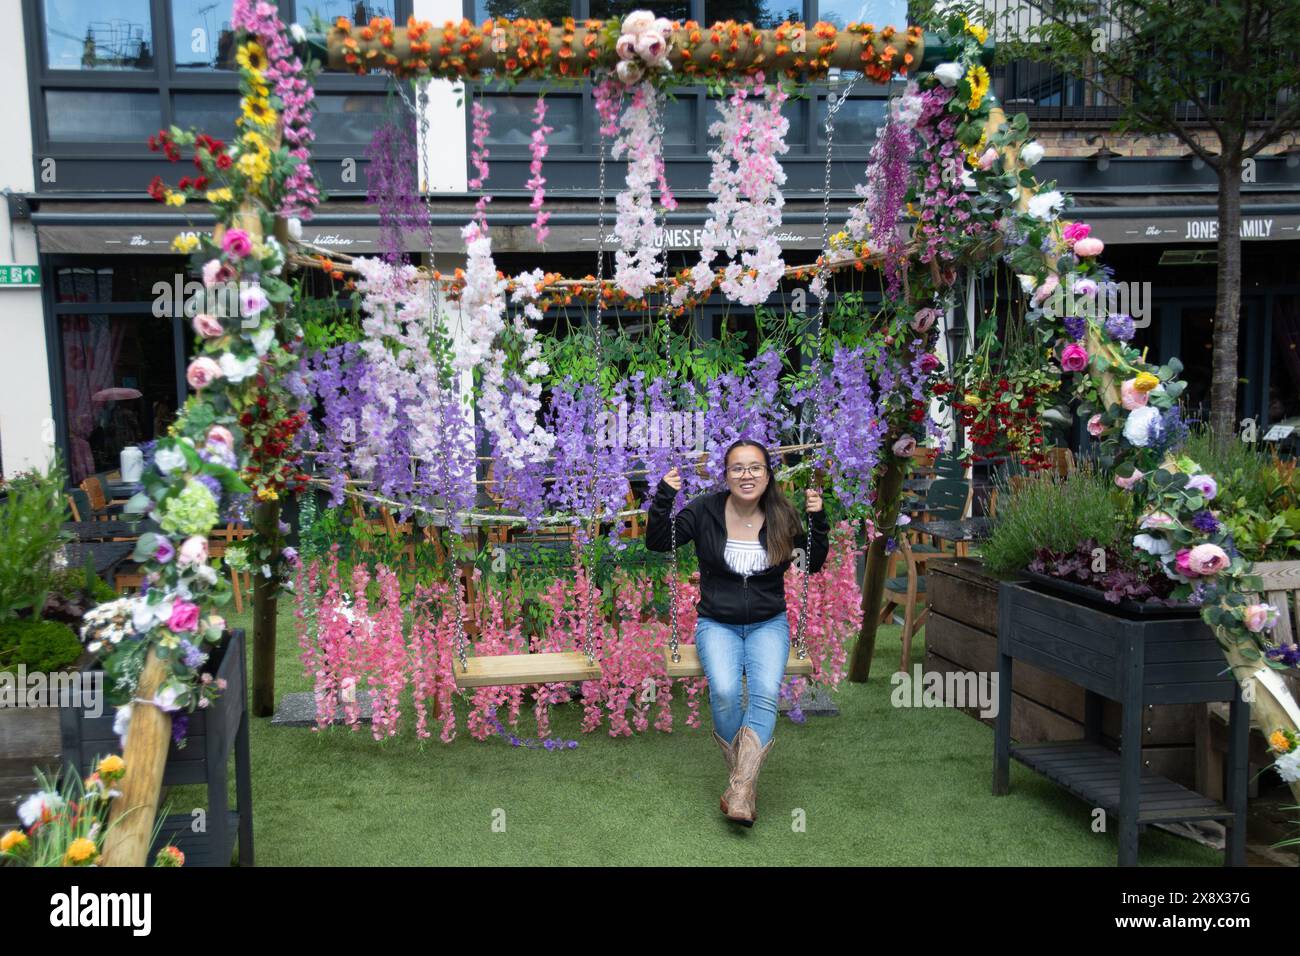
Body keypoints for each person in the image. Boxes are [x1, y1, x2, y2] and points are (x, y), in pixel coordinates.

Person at [646, 438, 828, 826]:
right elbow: (659, 541)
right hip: (717, 623)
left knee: (763, 693)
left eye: (755, 468)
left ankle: (741, 789)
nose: (747, 475)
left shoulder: (783, 514)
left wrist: (819, 520)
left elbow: (811, 563)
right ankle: (743, 785)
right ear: (726, 475)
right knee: (726, 692)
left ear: (768, 474)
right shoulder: (704, 511)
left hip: (769, 622)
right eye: (737, 468)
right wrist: (664, 496)